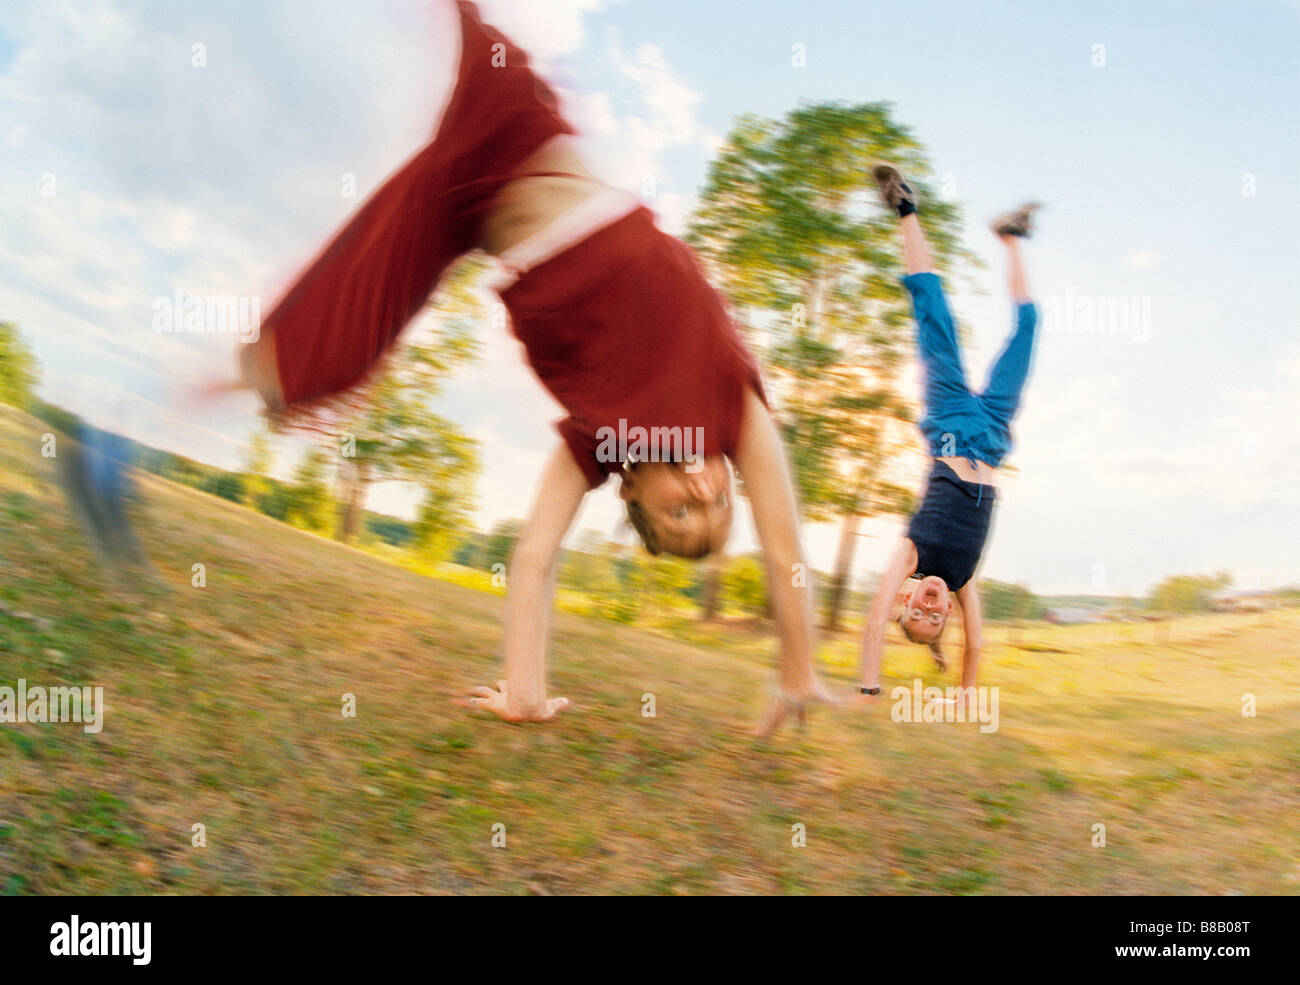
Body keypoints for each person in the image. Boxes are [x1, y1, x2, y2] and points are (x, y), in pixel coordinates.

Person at [229, 1, 827, 733]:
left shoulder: (595, 443)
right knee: (477, 28)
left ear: (631, 487)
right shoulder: (731, 404)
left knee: (306, 359)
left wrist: (526, 690)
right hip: (517, 127)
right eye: (716, 502)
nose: (704, 488)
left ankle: (149, 426)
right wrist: (797, 666)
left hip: (463, 204)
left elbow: (535, 555)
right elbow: (785, 541)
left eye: (681, 510)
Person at [856, 163, 1040, 699]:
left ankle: (904, 207)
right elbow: (977, 644)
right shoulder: (962, 579)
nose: (932, 609)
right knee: (1030, 328)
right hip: (994, 432)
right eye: (937, 621)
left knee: (932, 311)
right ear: (947, 618)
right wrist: (964, 693)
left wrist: (871, 688)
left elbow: (873, 621)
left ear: (908, 601)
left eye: (919, 613)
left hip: (950, 420)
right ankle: (1010, 236)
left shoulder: (910, 556)